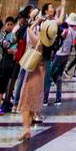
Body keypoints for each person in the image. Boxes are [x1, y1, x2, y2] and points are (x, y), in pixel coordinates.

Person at [16, 12, 45, 142]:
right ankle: (28, 127)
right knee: (33, 100)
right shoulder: (48, 42)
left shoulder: (39, 41)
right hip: (41, 71)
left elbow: (28, 29)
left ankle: (26, 129)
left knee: (26, 102)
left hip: (34, 72)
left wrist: (35, 21)